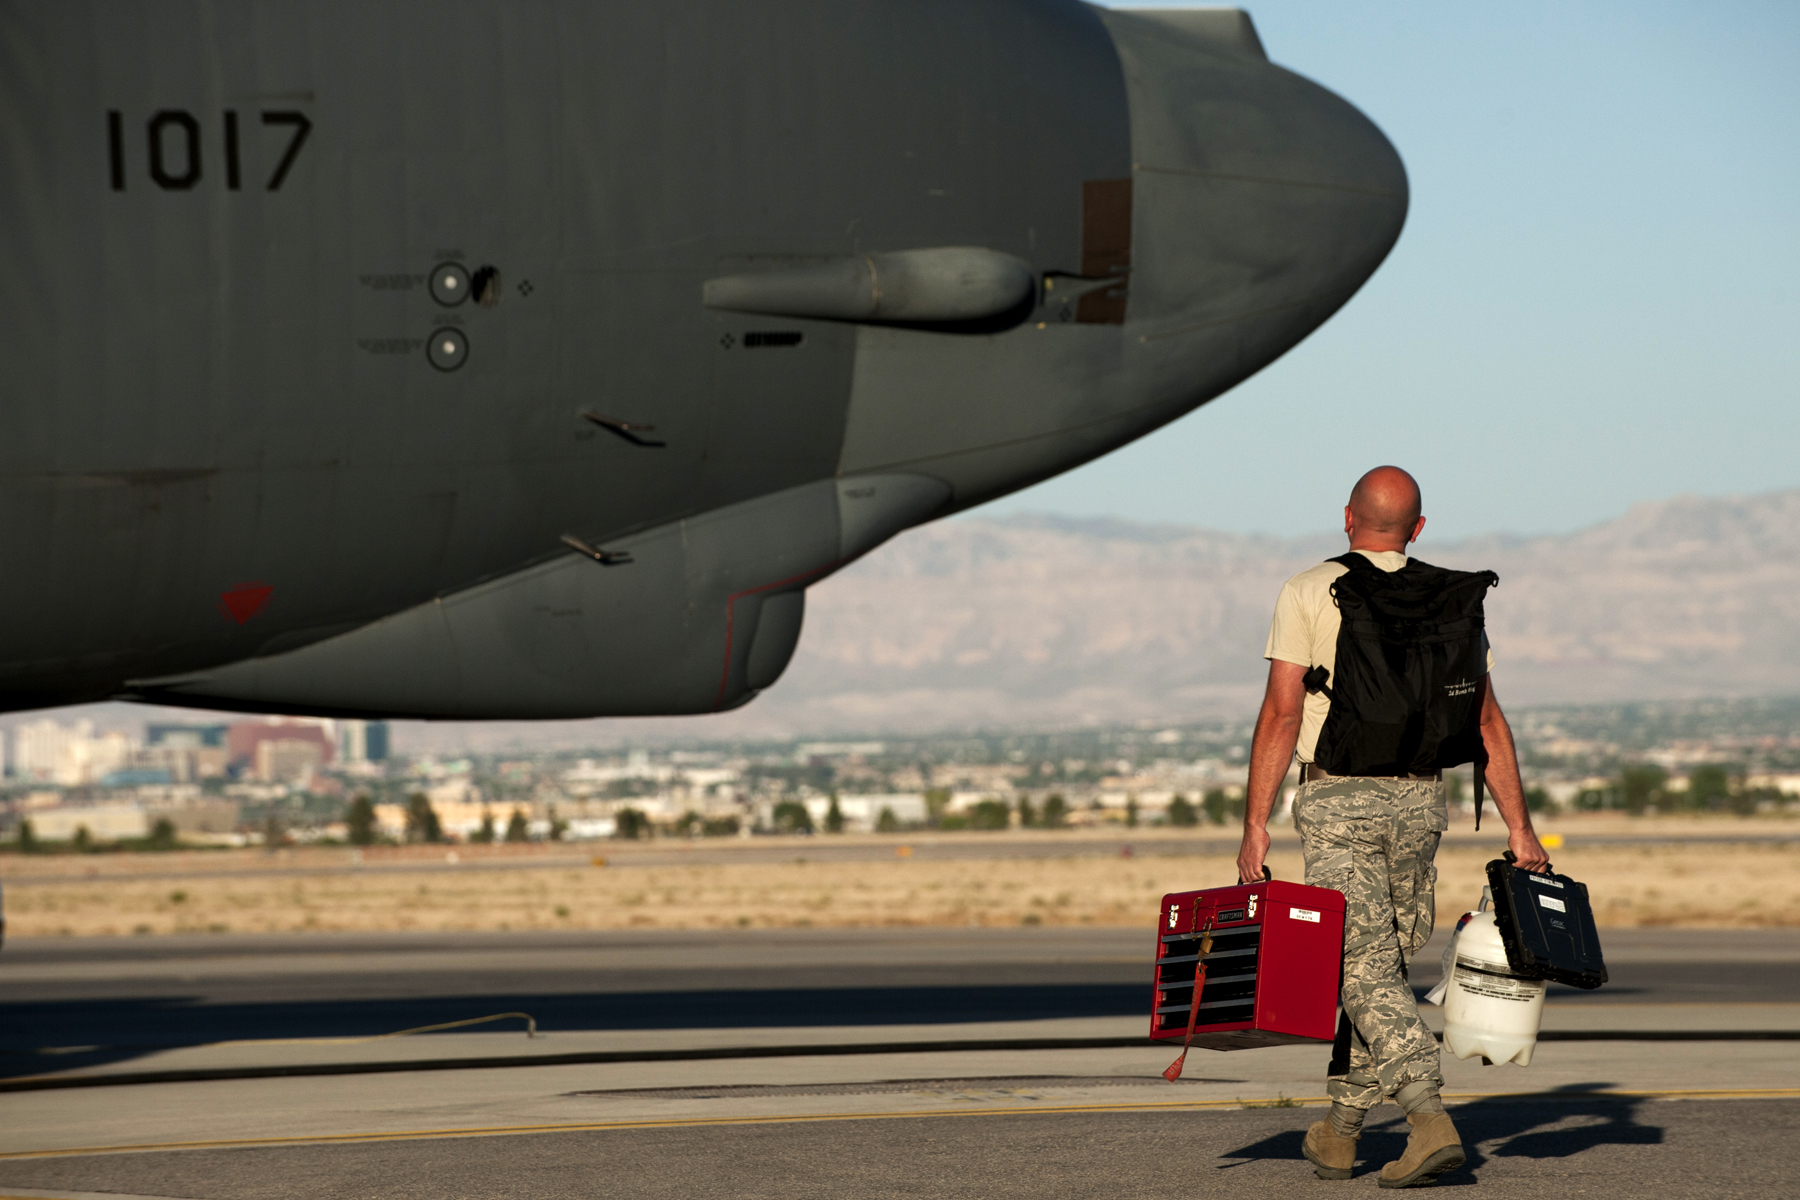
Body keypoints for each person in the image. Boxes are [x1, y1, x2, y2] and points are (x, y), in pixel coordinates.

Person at [1234, 465, 1549, 1188]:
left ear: (1348, 518)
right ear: (1418, 528)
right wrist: (1521, 830)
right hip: (1421, 804)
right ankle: (1341, 1131)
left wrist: (1255, 823)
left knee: (1362, 967)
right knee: (1377, 967)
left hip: (1339, 801)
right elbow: (1486, 720)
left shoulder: (1310, 589)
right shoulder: (1449, 599)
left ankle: (1428, 1117)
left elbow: (1282, 711)